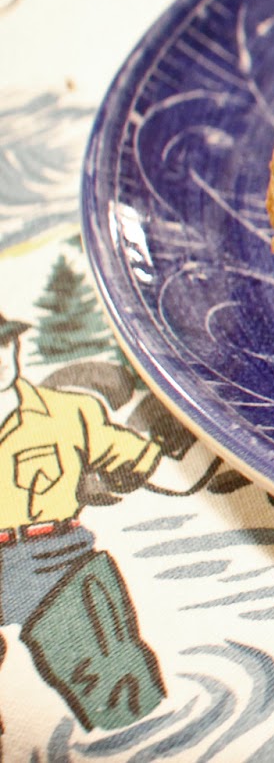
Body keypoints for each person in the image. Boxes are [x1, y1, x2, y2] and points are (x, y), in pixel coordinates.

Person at [0, 309, 166, 733]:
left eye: (4, 342)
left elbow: (133, 455)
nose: (1, 355)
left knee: (120, 693)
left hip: (54, 560)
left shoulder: (66, 412)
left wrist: (126, 471)